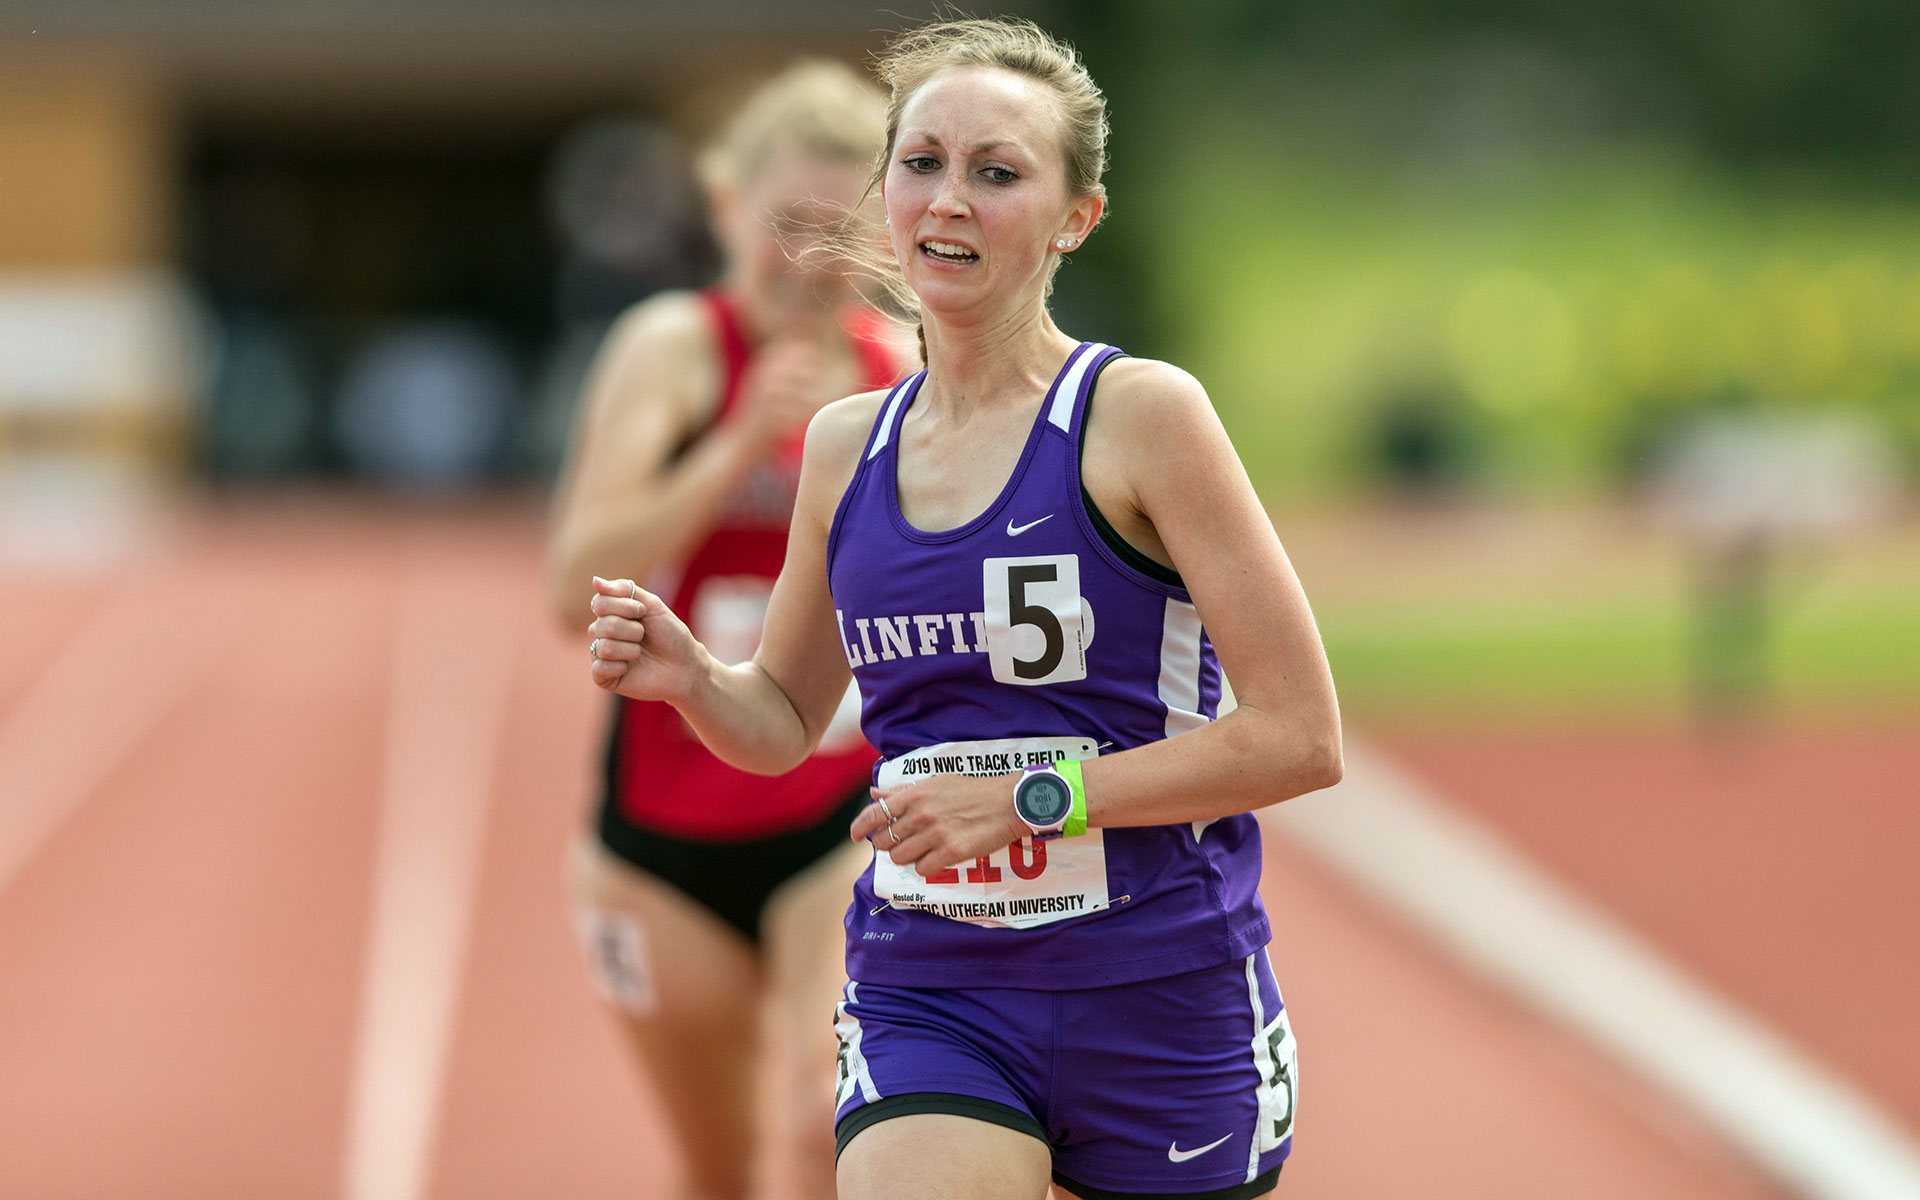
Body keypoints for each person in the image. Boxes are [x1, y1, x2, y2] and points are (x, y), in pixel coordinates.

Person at [585, 18, 1341, 1200]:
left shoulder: (1142, 417)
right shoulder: (846, 449)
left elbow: (1298, 734)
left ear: (1073, 218)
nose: (949, 201)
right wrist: (692, 677)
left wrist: (1035, 799)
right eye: (922, 163)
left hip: (1158, 989)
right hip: (933, 982)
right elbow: (784, 719)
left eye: (997, 172)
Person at [546, 61, 907, 1200]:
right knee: (718, 1169)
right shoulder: (676, 351)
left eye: (838, 230)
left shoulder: (901, 374)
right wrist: (737, 444)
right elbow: (572, 589)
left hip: (832, 814)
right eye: (782, 225)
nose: (807, 261)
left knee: (818, 1128)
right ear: (722, 209)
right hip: (660, 842)